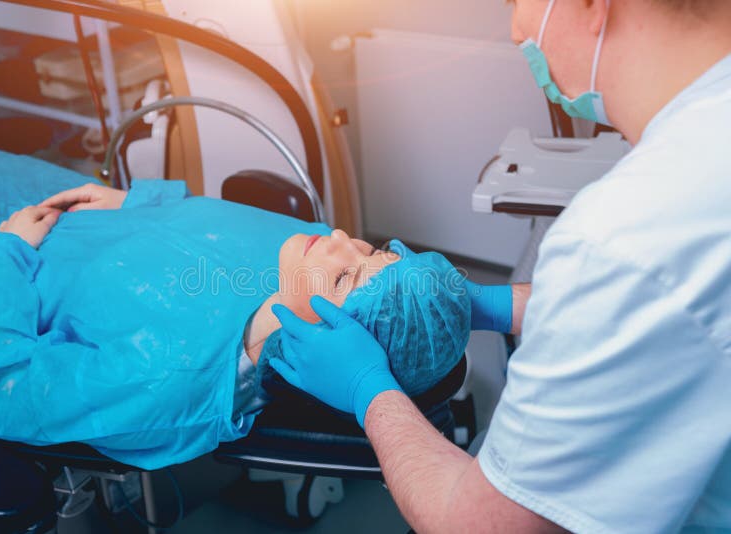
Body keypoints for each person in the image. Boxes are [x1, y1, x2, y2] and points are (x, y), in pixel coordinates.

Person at [270, 0, 731, 531]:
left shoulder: (617, 238)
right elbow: (661, 306)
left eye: (518, 2)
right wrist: (495, 304)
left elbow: (479, 524)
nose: (516, 30)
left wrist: (368, 390)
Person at [0, 126, 472, 469]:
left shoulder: (168, 379)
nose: (337, 240)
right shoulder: (301, 260)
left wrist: (1, 254)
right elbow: (215, 224)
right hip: (59, 207)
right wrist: (138, 202)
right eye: (371, 250)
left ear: (328, 343)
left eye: (346, 278)